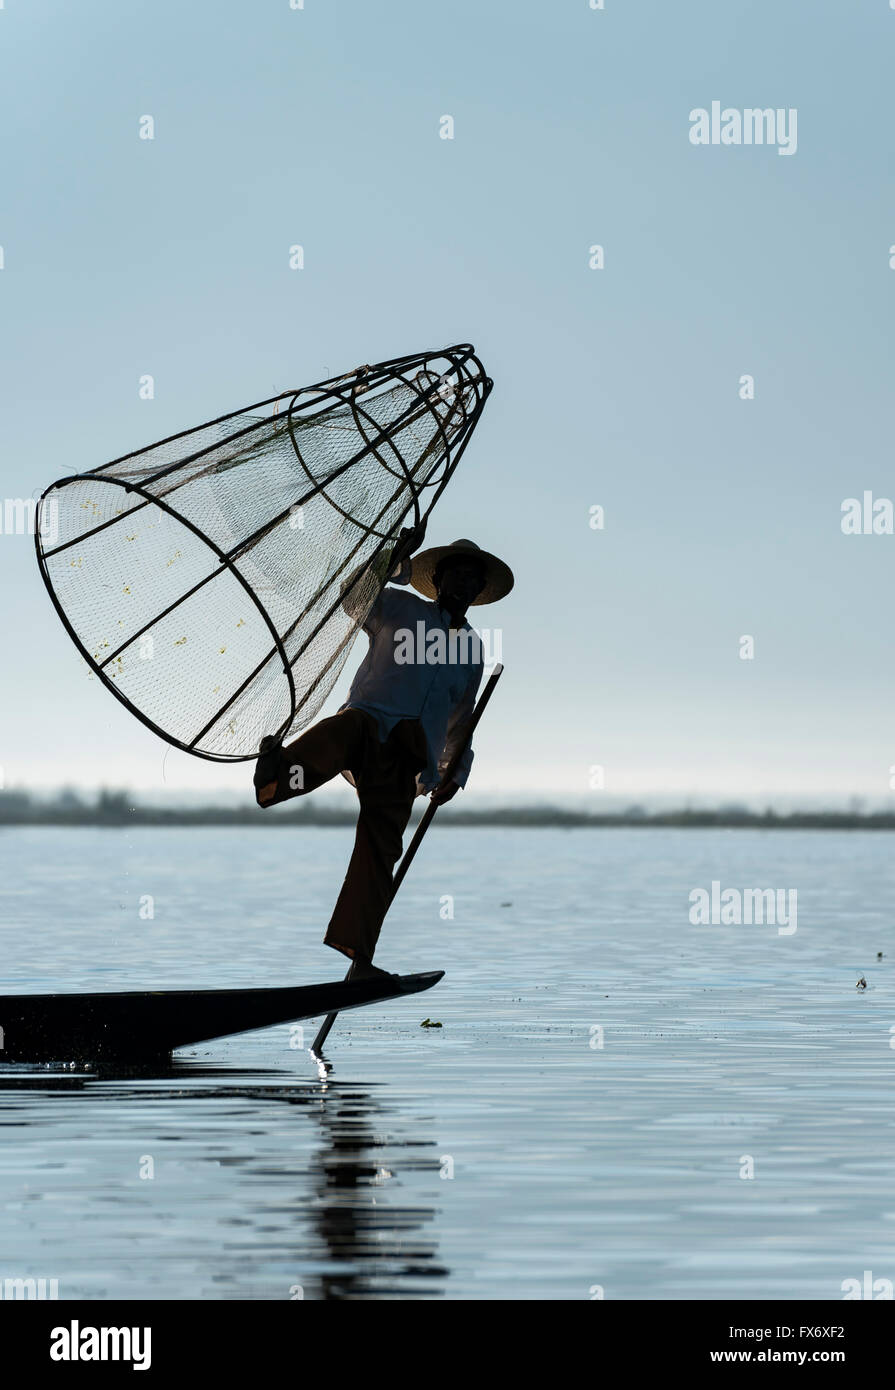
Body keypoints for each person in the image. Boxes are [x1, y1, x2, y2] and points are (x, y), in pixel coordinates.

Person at [253, 528, 513, 978]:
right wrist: (392, 557)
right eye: (458, 575)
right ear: (441, 580)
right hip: (369, 725)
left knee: (381, 848)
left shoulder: (472, 649)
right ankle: (276, 777)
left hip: (409, 758)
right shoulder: (400, 608)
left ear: (478, 590)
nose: (464, 584)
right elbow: (352, 596)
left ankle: (358, 957)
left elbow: (460, 720)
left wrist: (455, 771)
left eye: (473, 579)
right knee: (344, 730)